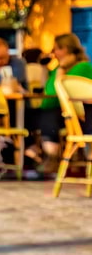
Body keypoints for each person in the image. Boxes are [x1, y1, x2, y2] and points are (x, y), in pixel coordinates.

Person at [30, 33, 92, 171]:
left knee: (48, 115)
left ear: (67, 49)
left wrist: (61, 69)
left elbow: (55, 93)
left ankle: (51, 156)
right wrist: (45, 68)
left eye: (56, 49)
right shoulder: (58, 69)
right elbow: (47, 91)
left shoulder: (83, 68)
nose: (54, 53)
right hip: (65, 112)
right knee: (34, 114)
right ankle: (42, 154)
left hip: (81, 116)